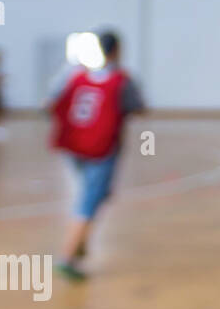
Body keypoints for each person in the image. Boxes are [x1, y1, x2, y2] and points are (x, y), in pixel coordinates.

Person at [47, 30, 146, 281]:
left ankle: (80, 243)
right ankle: (67, 257)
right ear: (117, 50)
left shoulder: (77, 76)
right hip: (101, 147)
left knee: (96, 192)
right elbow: (138, 107)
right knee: (90, 200)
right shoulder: (121, 80)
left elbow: (51, 103)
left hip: (75, 146)